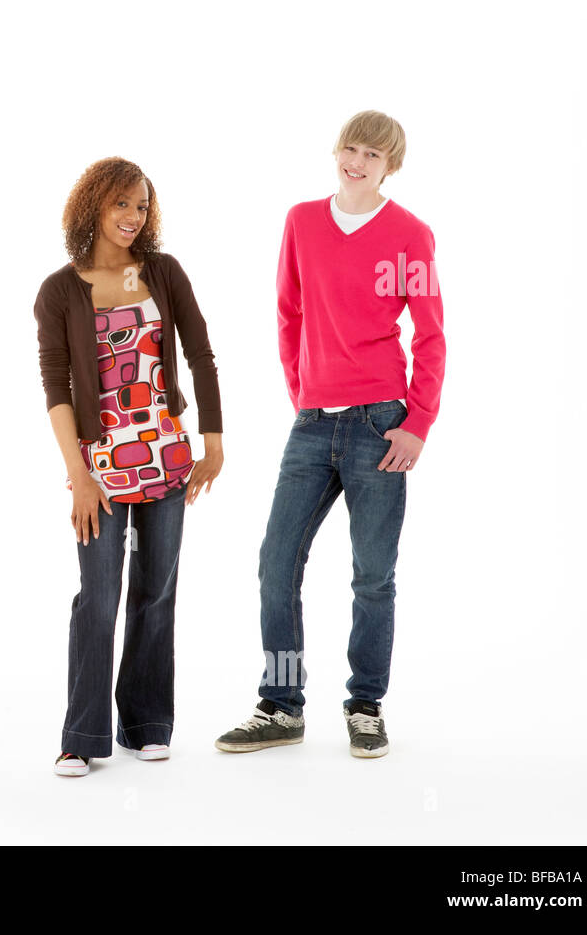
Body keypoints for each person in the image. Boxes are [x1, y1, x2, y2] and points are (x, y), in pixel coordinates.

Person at [215, 110, 446, 759]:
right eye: (350, 148)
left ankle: (366, 705)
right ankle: (281, 705)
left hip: (382, 425)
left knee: (373, 576)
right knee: (275, 564)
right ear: (336, 151)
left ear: (390, 166)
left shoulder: (410, 236)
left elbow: (430, 336)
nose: (357, 161)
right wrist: (302, 390)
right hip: (312, 426)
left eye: (373, 155)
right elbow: (288, 310)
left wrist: (418, 424)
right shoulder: (302, 222)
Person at [34, 157, 224, 777]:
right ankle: (81, 735)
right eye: (120, 204)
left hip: (168, 458)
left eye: (141, 205)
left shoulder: (164, 273)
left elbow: (200, 353)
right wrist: (79, 473)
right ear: (93, 206)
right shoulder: (60, 290)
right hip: (103, 468)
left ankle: (146, 723)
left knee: (156, 593)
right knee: (99, 596)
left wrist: (213, 442)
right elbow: (56, 388)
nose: (132, 217)